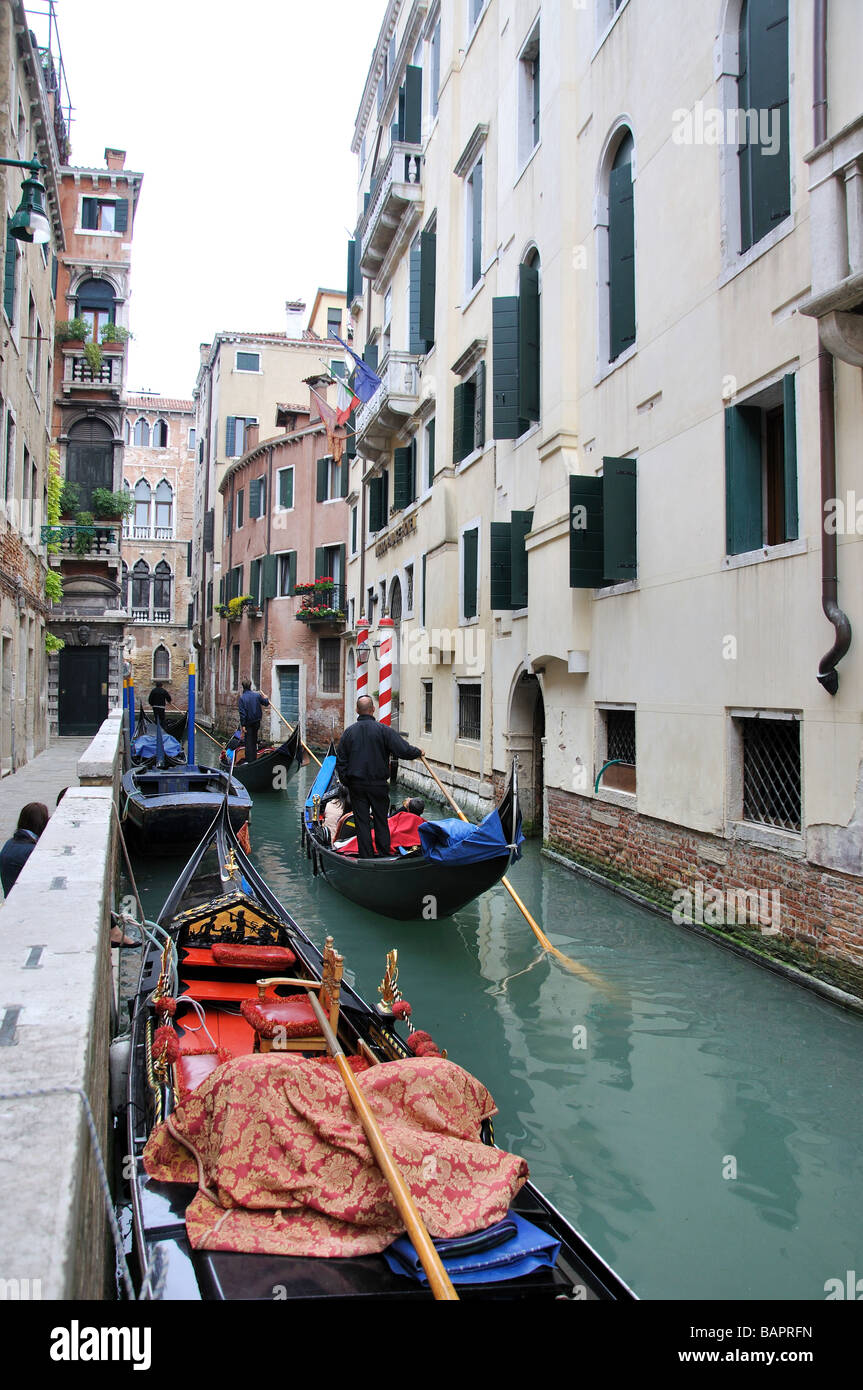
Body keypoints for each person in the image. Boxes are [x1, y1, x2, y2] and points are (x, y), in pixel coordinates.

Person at [335, 697, 423, 858]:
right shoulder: (384, 730)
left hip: (357, 786)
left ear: (357, 711)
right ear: (373, 709)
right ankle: (383, 854)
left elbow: (340, 762)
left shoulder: (348, 733)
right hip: (378, 785)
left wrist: (348, 782)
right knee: (381, 820)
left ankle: (366, 857)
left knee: (362, 822)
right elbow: (403, 750)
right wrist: (418, 752)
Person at [0, 802, 50, 896]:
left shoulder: (9, 843)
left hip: (10, 899)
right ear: (42, 824)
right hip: (24, 902)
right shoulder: (32, 851)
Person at [238, 679, 269, 764]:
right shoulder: (257, 695)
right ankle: (254, 759)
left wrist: (243, 725)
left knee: (248, 742)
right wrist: (266, 698)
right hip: (256, 722)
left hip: (248, 723)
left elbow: (242, 713)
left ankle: (249, 761)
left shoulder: (242, 698)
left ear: (243, 687)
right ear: (250, 686)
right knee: (254, 740)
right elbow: (266, 703)